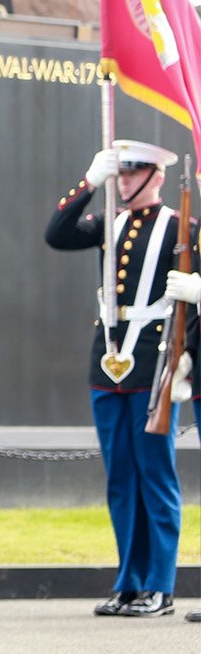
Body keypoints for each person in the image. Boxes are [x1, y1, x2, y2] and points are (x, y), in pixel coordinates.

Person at [49, 141, 193, 619]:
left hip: (154, 361)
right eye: (120, 173)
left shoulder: (182, 228)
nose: (124, 181)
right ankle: (129, 583)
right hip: (107, 359)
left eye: (132, 174)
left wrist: (186, 357)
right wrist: (89, 182)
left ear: (155, 176)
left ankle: (160, 585)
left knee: (155, 473)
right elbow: (57, 234)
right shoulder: (109, 225)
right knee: (120, 478)